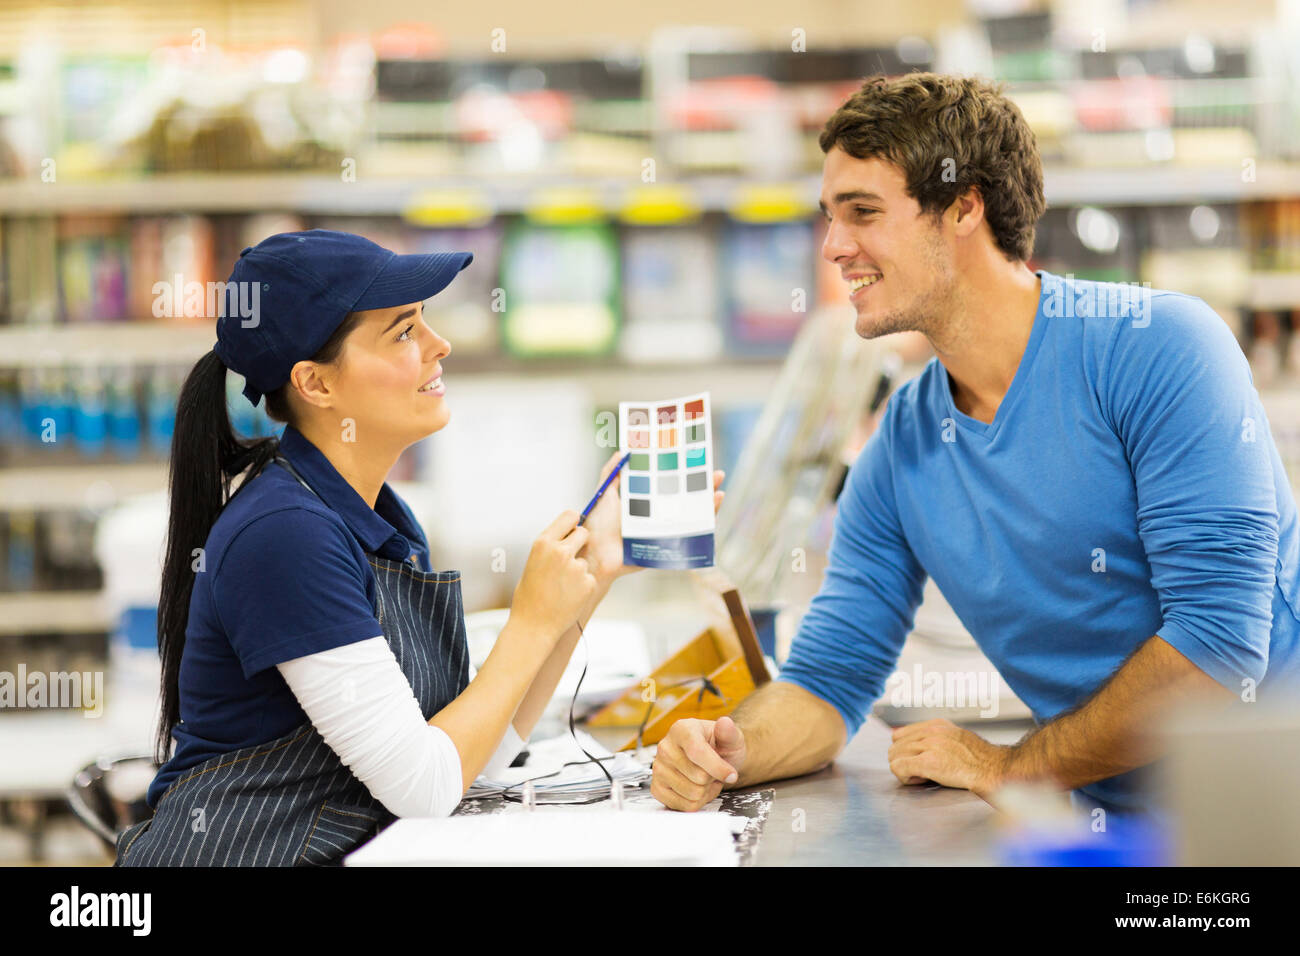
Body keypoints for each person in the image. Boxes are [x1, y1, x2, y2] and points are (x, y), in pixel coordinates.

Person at [650, 72, 1300, 819]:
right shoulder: (902, 443)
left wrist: (1015, 765)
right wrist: (730, 748)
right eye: (829, 216)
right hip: (1115, 826)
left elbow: (1218, 650)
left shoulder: (1159, 350)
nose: (833, 247)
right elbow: (829, 678)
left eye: (862, 213)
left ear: (964, 207)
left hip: (1272, 813)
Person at [115, 230, 721, 865]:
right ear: (316, 384)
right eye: (403, 332)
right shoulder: (284, 537)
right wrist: (531, 617)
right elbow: (425, 786)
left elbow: (475, 756)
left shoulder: (378, 516)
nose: (440, 345)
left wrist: (589, 575)